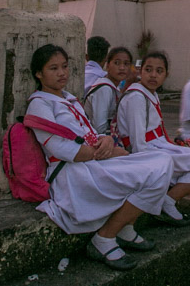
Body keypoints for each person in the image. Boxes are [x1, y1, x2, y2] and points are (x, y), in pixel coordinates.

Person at [25, 44, 174, 271]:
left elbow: (91, 133)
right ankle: (105, 237)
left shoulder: (69, 99)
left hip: (94, 161)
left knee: (163, 162)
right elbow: (65, 150)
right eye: (53, 68)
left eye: (64, 67)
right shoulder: (39, 104)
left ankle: (124, 226)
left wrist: (105, 141)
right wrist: (108, 150)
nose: (62, 73)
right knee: (152, 172)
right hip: (73, 173)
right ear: (39, 73)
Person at [117, 51, 190, 225]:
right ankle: (167, 201)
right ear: (141, 72)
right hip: (151, 151)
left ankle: (169, 199)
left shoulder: (149, 94)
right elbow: (138, 144)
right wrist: (156, 165)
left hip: (160, 145)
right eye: (148, 69)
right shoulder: (136, 97)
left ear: (166, 75)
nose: (153, 75)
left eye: (159, 71)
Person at [83, 46, 131, 136]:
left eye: (126, 64)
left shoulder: (114, 87)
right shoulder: (104, 89)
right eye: (117, 63)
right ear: (108, 65)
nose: (122, 68)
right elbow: (99, 128)